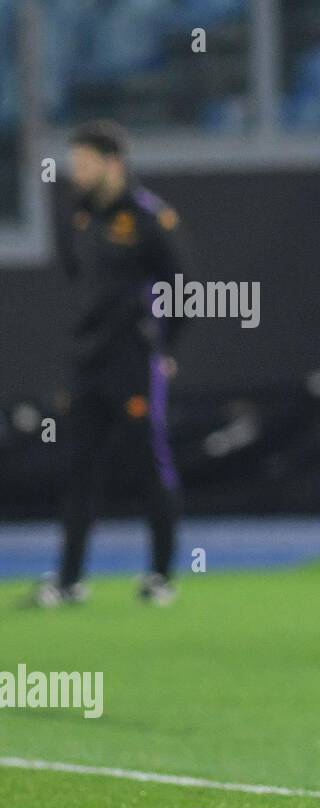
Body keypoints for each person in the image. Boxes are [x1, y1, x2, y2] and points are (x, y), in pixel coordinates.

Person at [29, 121, 187, 608]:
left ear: (112, 162)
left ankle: (160, 577)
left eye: (83, 163)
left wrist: (168, 351)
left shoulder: (147, 217)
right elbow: (76, 279)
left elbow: (181, 284)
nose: (75, 172)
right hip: (86, 362)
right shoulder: (77, 216)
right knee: (79, 470)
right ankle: (69, 581)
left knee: (147, 465)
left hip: (133, 362)